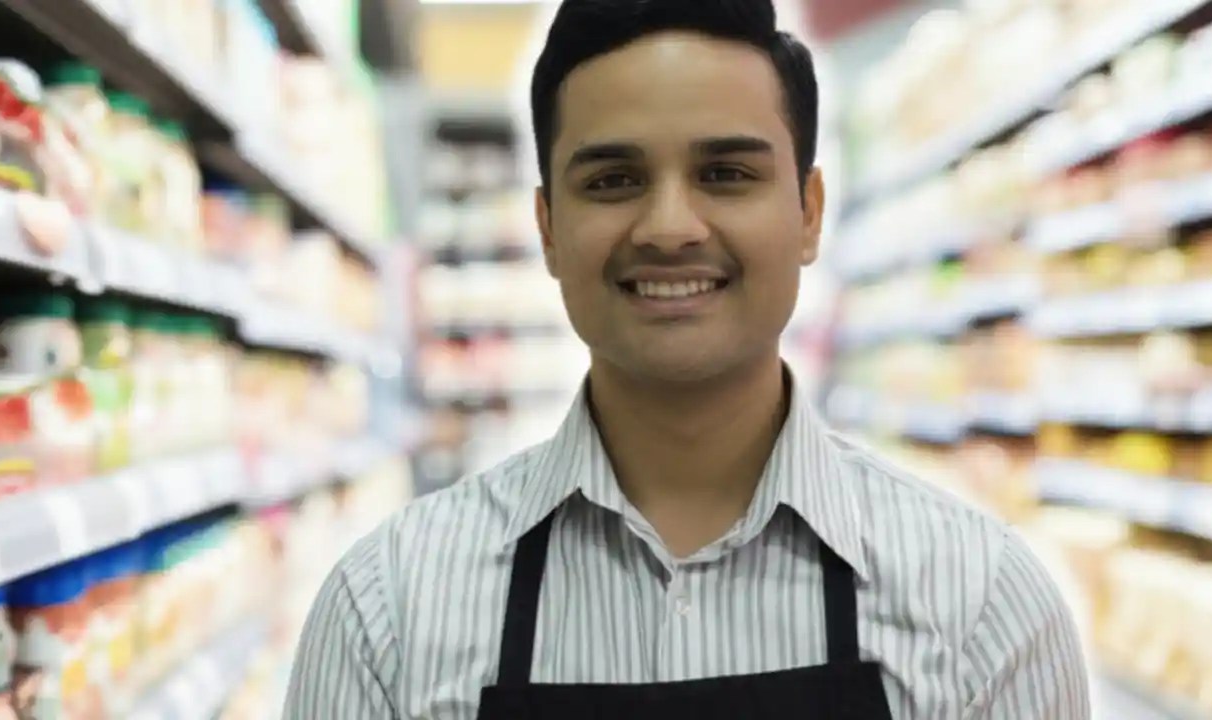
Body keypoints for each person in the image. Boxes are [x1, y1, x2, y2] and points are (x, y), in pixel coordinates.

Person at [282, 1, 1090, 718]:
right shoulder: (383, 617)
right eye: (613, 179)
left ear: (808, 214)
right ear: (548, 228)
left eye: (726, 174)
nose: (670, 226)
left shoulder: (985, 611)